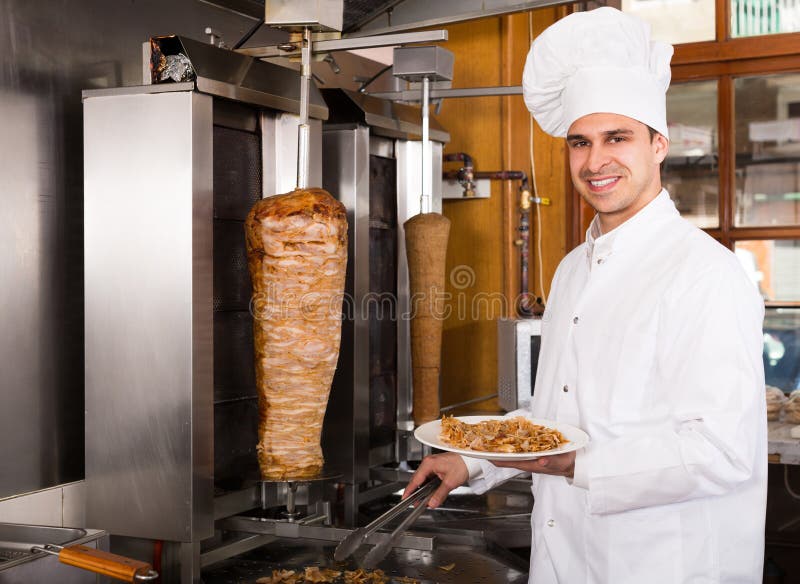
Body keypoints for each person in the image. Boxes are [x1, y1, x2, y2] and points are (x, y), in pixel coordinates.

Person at [404, 7, 767, 583]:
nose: (595, 162)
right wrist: (471, 461)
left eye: (616, 138)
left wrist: (573, 461)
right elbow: (555, 419)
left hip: (664, 565)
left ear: (658, 145)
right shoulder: (576, 268)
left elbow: (721, 452)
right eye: (580, 142)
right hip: (568, 559)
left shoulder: (706, 274)